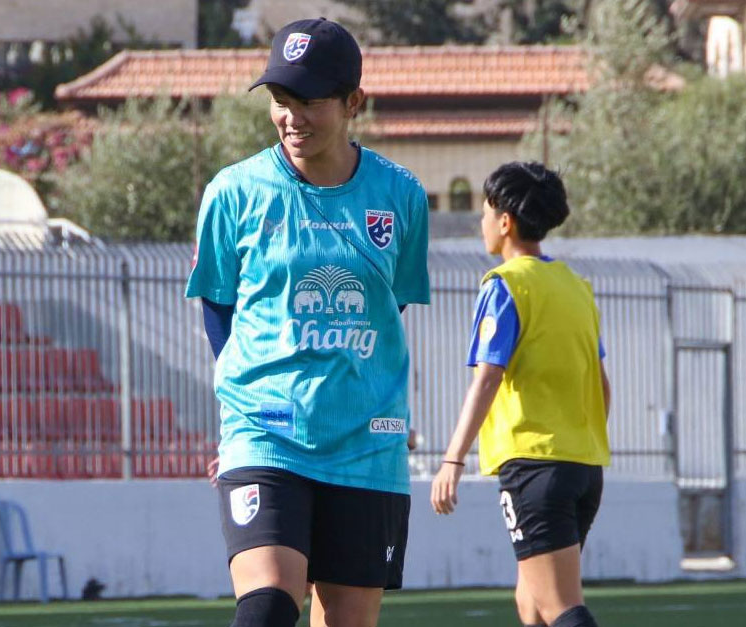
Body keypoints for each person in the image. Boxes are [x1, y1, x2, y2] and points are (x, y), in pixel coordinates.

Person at [185, 17, 430, 627]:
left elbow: (386, 309)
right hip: (265, 435)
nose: (292, 117)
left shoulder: (401, 196)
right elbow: (218, 306)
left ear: (353, 103)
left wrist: (368, 393)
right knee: (268, 602)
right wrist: (241, 412)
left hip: (367, 446)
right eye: (280, 99)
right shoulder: (233, 192)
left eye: (311, 102)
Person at [429, 162, 611, 627]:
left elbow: (488, 377)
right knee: (531, 606)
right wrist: (580, 440)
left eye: (485, 212)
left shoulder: (505, 286)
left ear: (505, 221)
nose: (482, 223)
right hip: (583, 467)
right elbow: (602, 384)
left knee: (559, 606)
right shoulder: (576, 287)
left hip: (534, 468)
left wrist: (453, 459)